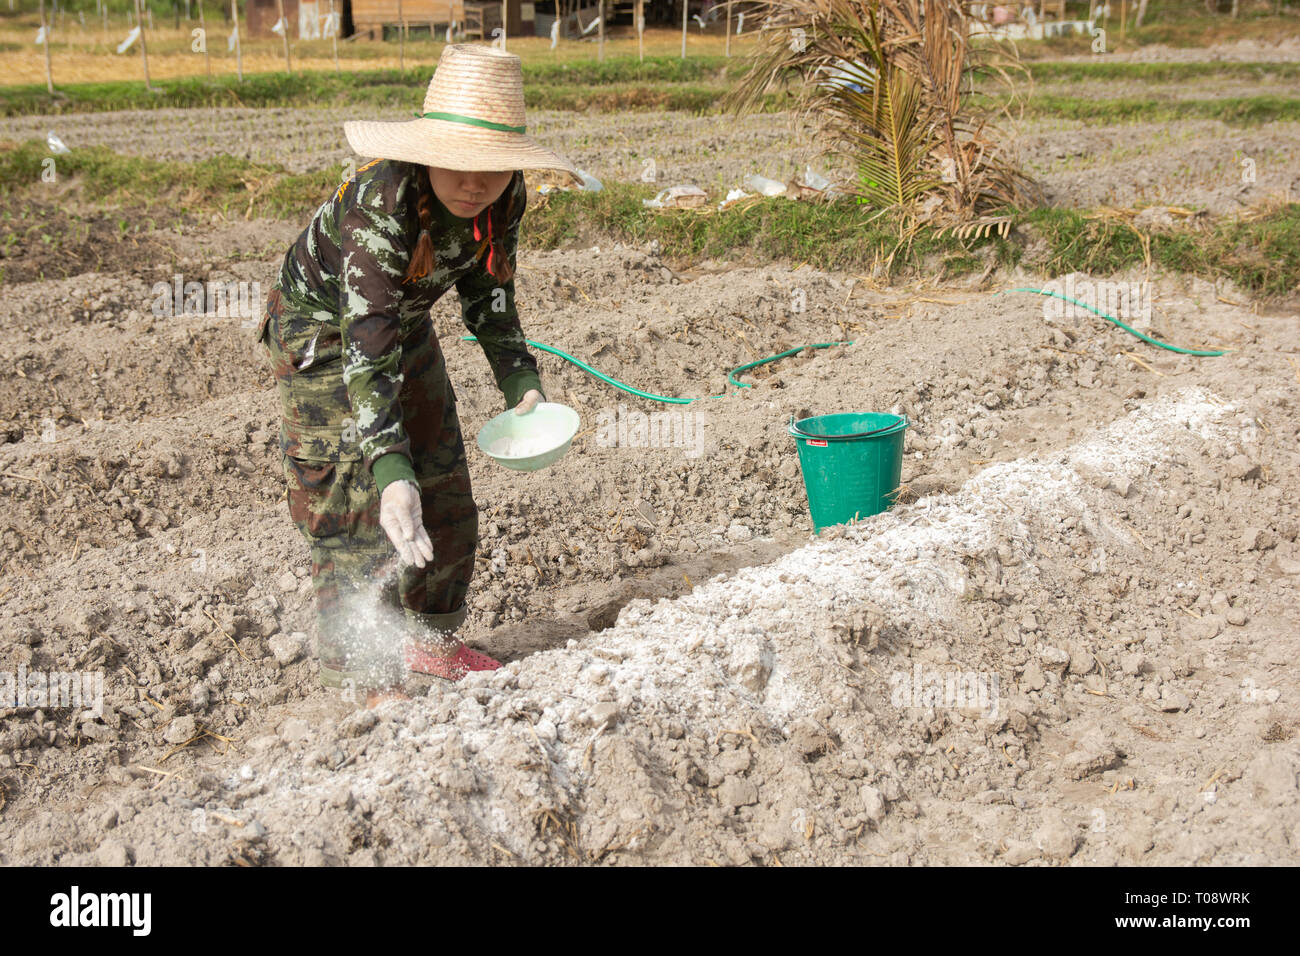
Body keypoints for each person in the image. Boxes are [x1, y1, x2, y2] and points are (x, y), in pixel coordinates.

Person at [256, 44, 579, 709]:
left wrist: (522, 384)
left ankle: (431, 641)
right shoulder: (381, 200)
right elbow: (365, 347)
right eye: (457, 164)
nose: (473, 183)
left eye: (490, 168)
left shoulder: (504, 197)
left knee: (444, 481)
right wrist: (388, 471)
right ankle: (366, 677)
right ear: (428, 149)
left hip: (400, 322)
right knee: (351, 506)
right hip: (323, 332)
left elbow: (491, 293)